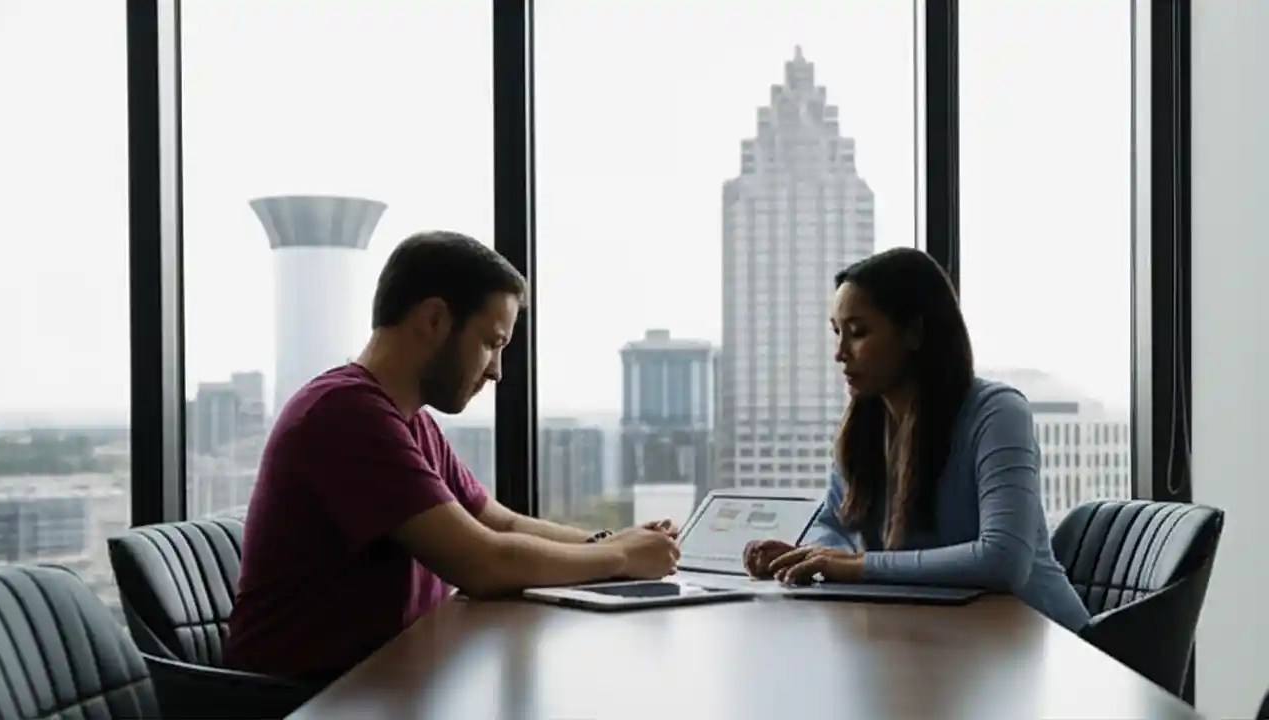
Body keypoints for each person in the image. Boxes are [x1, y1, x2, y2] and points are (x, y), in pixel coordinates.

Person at [225, 231, 680, 683]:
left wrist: (608, 543)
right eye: (491, 343)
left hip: (385, 684)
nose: (496, 371)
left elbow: (500, 523)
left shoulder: (409, 420)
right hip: (307, 701)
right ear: (434, 320)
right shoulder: (344, 413)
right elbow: (482, 562)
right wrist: (620, 558)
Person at [743, 248, 1089, 632]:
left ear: (914, 332)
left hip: (1044, 643)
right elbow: (833, 525)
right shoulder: (863, 428)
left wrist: (858, 566)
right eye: (837, 332)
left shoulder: (996, 412)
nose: (840, 353)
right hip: (946, 638)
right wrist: (813, 557)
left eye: (858, 332)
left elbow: (1004, 560)